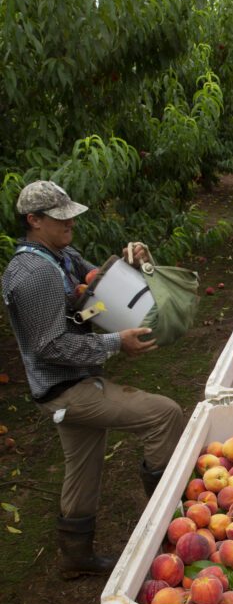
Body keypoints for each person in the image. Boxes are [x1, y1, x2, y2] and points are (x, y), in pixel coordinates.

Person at [2, 180, 185, 579]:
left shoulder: (59, 255)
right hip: (66, 389)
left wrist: (132, 261)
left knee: (82, 467)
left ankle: (75, 557)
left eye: (70, 214)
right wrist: (115, 343)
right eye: (59, 217)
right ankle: (167, 525)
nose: (70, 223)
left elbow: (98, 281)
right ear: (33, 221)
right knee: (164, 415)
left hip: (77, 381)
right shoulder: (32, 274)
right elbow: (50, 346)